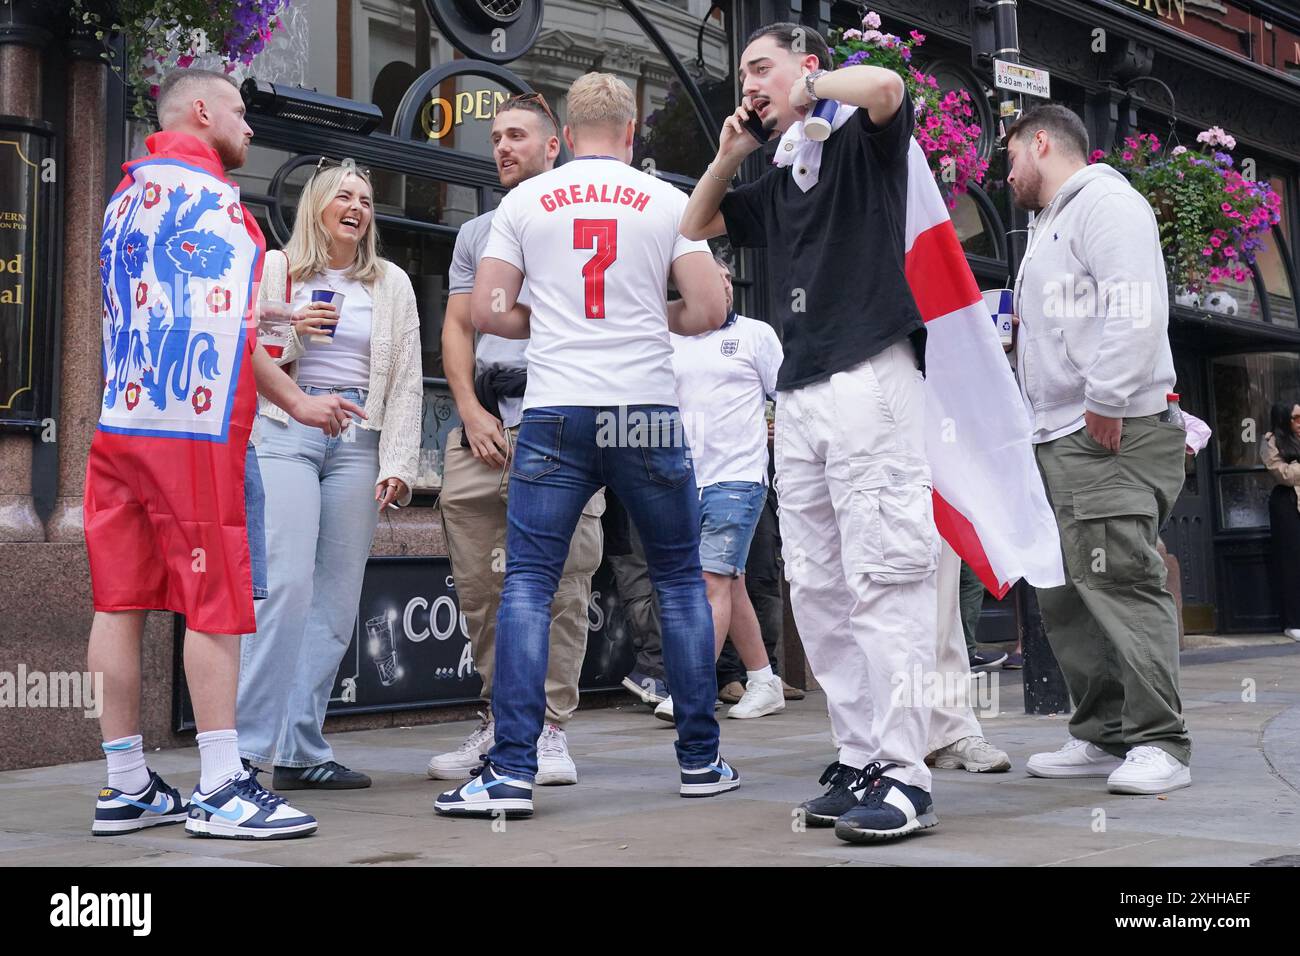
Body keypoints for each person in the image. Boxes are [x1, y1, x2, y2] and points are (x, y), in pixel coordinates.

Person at [435, 72, 732, 819]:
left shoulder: (526, 202)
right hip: (645, 413)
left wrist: (561, 317)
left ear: (564, 137)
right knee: (679, 582)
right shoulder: (669, 201)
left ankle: (510, 772)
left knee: (528, 584)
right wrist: (640, 314)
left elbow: (489, 310)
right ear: (632, 134)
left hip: (556, 411)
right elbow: (707, 308)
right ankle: (701, 760)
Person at [681, 22, 941, 842]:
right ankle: (861, 752)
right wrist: (732, 149)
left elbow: (890, 90)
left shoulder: (861, 142)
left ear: (808, 65)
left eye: (762, 66)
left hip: (869, 373)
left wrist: (813, 92)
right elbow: (695, 226)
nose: (750, 81)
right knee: (821, 588)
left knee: (884, 576)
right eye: (745, 72)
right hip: (798, 394)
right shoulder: (783, 172)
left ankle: (907, 772)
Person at [88, 69, 364, 839]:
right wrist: (287, 365)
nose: (249, 129)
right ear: (201, 111)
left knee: (118, 603)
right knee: (217, 603)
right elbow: (226, 340)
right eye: (240, 114)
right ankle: (220, 785)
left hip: (123, 420)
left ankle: (124, 784)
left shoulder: (122, 199)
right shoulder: (217, 202)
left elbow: (171, 311)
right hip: (197, 431)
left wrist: (264, 318)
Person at [1005, 104, 1191, 795]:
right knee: (1067, 594)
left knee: (1121, 582)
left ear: (1043, 142)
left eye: (1013, 157)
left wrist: (1106, 402)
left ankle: (1160, 743)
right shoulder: (1049, 224)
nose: (1009, 173)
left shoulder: (1107, 203)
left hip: (1106, 432)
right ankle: (1102, 733)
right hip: (1060, 434)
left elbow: (1137, 306)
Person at [427, 92, 605, 786]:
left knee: (562, 584)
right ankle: (504, 723)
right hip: (483, 427)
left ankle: (550, 732)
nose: (503, 147)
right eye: (496, 137)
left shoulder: (583, 221)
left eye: (518, 136)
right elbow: (456, 328)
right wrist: (468, 409)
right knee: (481, 587)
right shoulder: (475, 233)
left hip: (559, 421)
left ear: (553, 144)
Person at [235, 160, 423, 790]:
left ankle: (300, 749)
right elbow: (246, 344)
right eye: (344, 196)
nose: (357, 206)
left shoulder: (392, 283)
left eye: (366, 199)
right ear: (318, 206)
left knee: (337, 604)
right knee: (284, 586)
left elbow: (404, 378)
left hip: (358, 440)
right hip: (287, 429)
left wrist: (399, 461)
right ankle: (241, 752)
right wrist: (291, 325)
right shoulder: (276, 269)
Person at [655, 255, 785, 721]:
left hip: (740, 477)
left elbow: (786, 396)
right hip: (684, 479)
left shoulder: (756, 335)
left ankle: (691, 690)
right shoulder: (669, 336)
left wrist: (778, 435)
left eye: (727, 278)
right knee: (730, 582)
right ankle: (765, 680)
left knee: (711, 580)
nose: (722, 286)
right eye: (712, 278)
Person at [1263, 401, 1300, 641]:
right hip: (1287, 503)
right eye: (1296, 418)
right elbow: (1282, 474)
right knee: (1292, 562)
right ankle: (1293, 622)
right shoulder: (1271, 441)